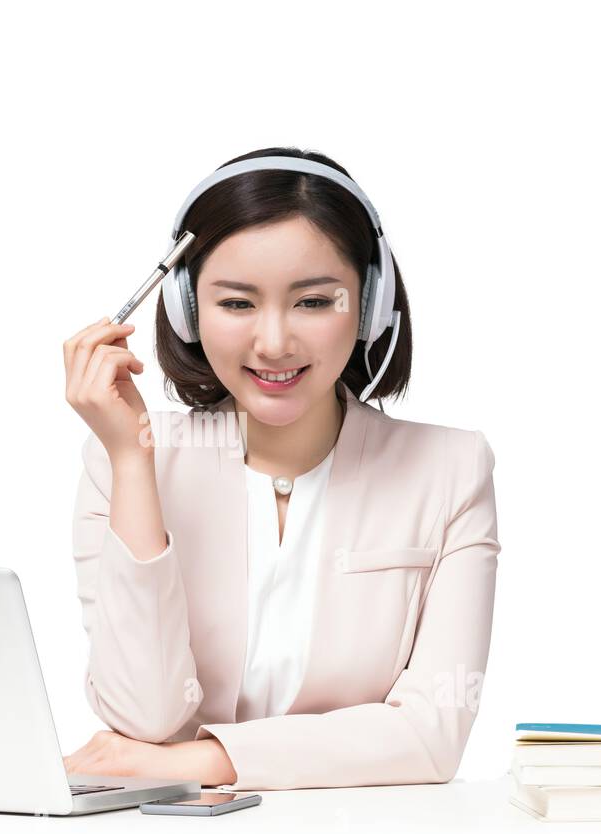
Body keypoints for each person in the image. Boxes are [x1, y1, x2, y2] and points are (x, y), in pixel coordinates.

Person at [61, 146, 500, 791]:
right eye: (237, 304)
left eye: (315, 302)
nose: (273, 342)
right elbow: (144, 720)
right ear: (187, 310)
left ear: (370, 305)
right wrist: (132, 462)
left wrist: (196, 762)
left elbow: (431, 738)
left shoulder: (451, 472)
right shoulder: (121, 461)